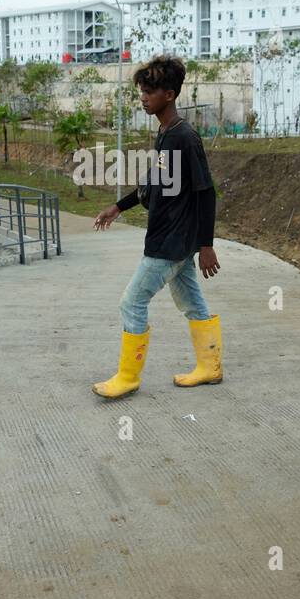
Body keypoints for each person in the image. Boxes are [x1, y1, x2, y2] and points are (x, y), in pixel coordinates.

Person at [91, 55, 222, 399]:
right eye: (142, 91)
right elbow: (153, 184)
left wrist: (206, 244)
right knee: (193, 303)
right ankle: (210, 367)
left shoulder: (184, 137)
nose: (143, 97)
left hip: (170, 242)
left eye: (150, 91)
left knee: (131, 302)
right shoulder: (165, 134)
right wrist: (118, 207)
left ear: (170, 94)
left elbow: (206, 192)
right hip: (174, 239)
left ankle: (128, 376)